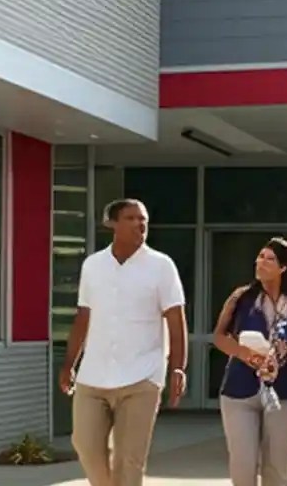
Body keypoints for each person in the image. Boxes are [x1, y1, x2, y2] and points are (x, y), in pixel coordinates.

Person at [58, 199, 188, 486]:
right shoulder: (93, 265)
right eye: (130, 218)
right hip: (94, 374)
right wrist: (70, 363)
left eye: (143, 219)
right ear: (112, 224)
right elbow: (82, 318)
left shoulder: (161, 266)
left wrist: (178, 367)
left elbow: (176, 321)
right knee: (85, 445)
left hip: (142, 376)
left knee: (129, 461)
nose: (139, 224)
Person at [213, 238, 287, 486]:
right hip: (239, 391)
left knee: (276, 468)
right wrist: (244, 353)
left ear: (284, 268)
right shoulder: (241, 298)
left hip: (285, 393)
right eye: (260, 257)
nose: (261, 263)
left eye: (270, 259)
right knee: (243, 465)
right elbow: (219, 337)